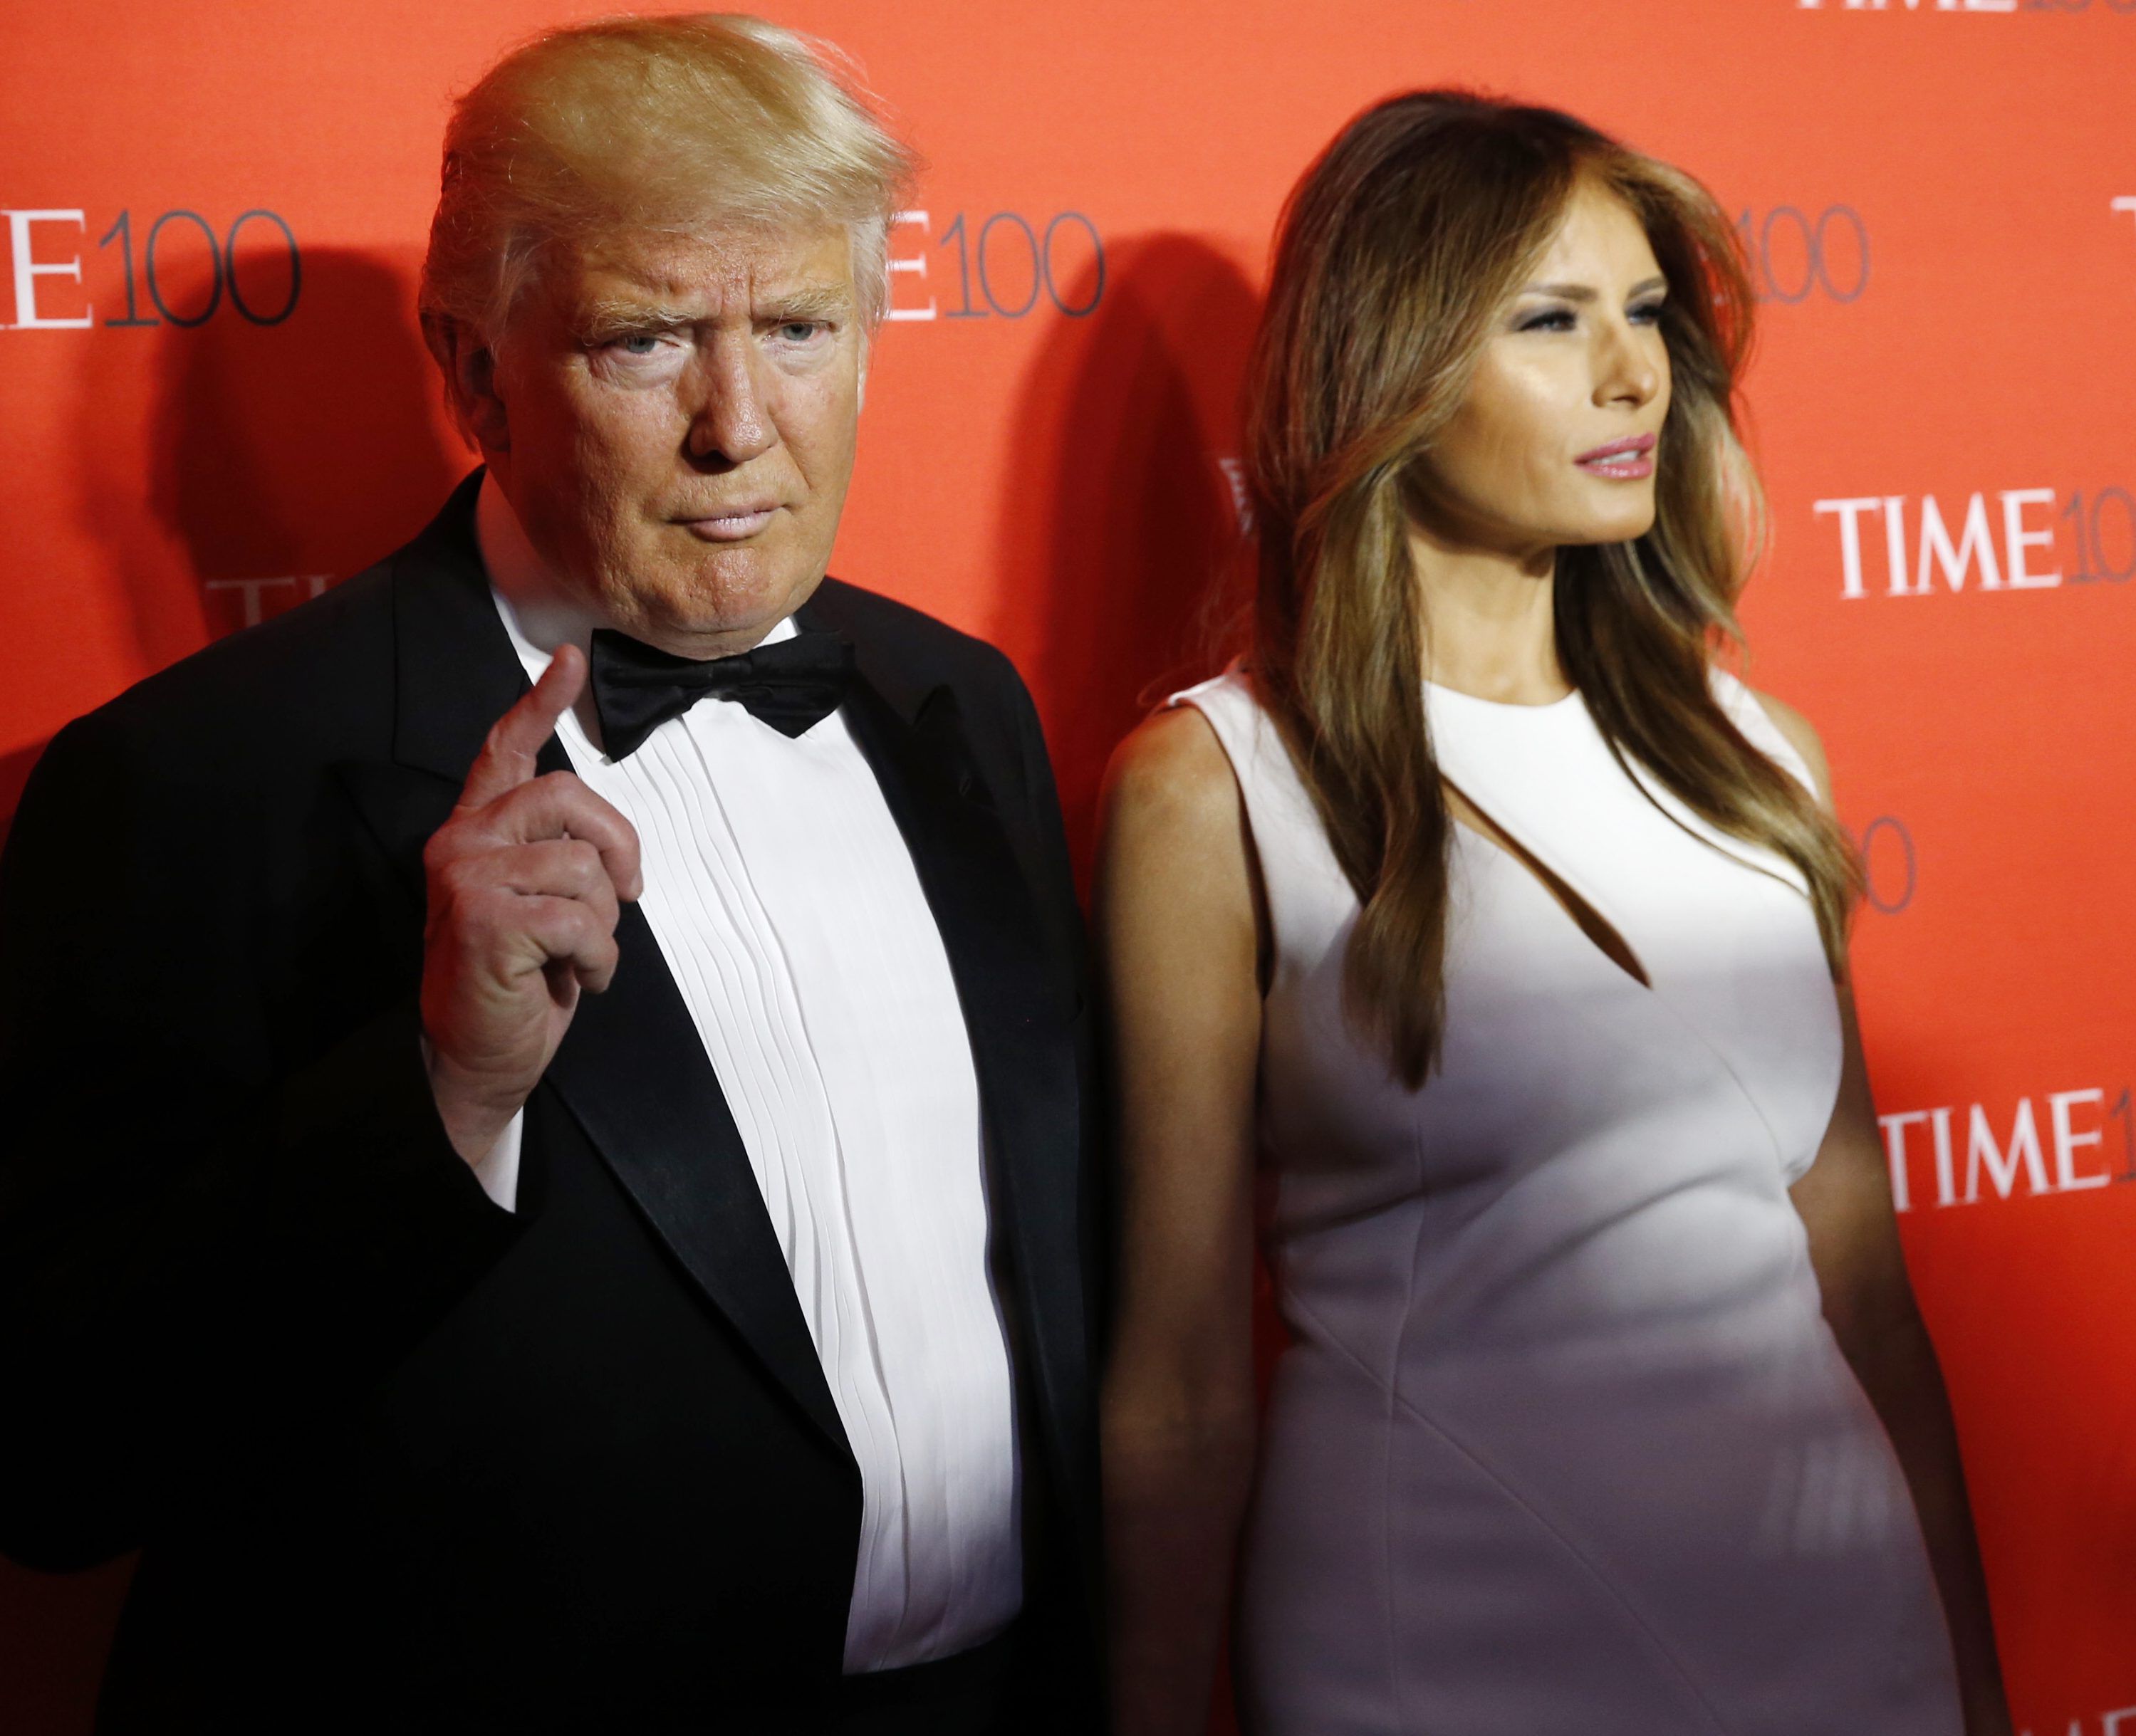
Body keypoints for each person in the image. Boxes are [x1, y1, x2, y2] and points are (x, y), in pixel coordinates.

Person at [0, 16, 1100, 1732]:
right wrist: (444, 1091)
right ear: (470, 366)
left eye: (800, 328)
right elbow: (56, 1456)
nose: (741, 425)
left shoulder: (964, 708)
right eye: (647, 339)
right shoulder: (195, 784)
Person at [1097, 91, 2009, 1735]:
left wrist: (1975, 1684)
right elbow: (1174, 1393)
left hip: (1838, 1611)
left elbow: (1866, 1295)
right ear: (1390, 366)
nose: (1633, 374)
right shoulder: (1211, 790)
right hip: (1436, 1640)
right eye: (1553, 319)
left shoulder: (1758, 758)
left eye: (1648, 312)